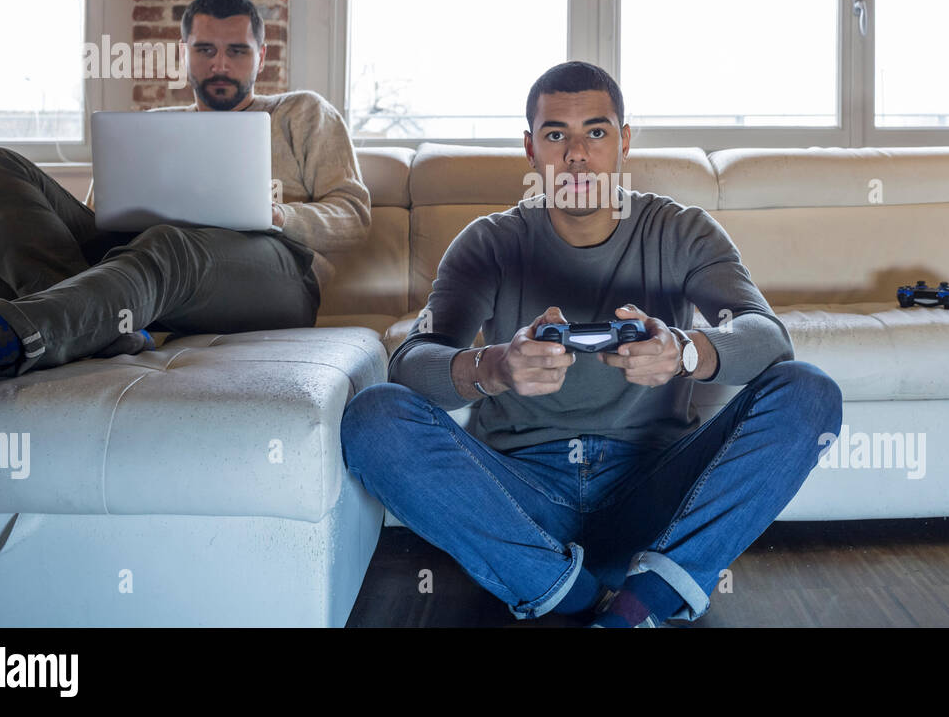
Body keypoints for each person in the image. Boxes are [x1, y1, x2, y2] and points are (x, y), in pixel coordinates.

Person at [340, 60, 842, 627]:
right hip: (521, 504)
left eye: (595, 133)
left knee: (810, 391)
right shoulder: (488, 243)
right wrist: (493, 367)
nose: (576, 154)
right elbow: (410, 366)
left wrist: (686, 352)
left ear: (624, 141)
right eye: (556, 135)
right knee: (372, 415)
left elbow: (768, 338)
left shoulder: (681, 230)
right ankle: (577, 595)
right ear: (531, 149)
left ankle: (630, 605)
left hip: (652, 494)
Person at [0, 0, 371, 393]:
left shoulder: (302, 112)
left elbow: (354, 216)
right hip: (145, 270)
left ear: (262, 55)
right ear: (185, 54)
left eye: (237, 51)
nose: (220, 64)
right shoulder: (154, 123)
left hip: (275, 273)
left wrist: (276, 214)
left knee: (169, 243)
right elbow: (94, 223)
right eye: (205, 50)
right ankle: (100, 330)